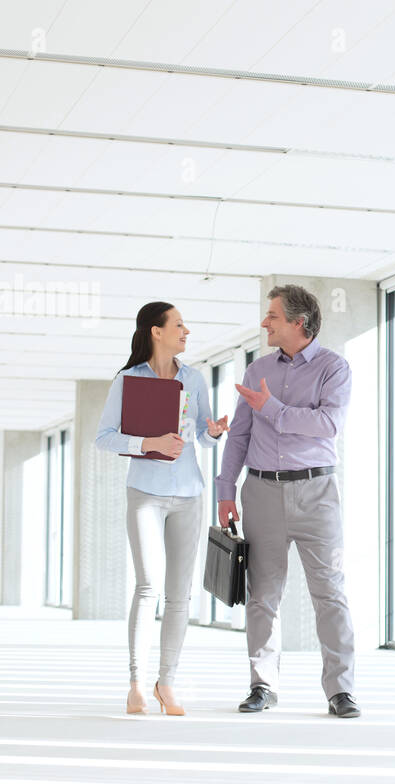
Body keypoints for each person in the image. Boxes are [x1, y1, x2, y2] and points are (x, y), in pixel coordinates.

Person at [216, 284, 359, 717]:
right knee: (262, 595)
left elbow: (328, 424)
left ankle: (341, 691)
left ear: (299, 322)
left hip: (317, 494)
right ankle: (263, 685)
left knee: (330, 595)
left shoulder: (334, 368)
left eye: (272, 316)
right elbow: (239, 434)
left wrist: (272, 408)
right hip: (260, 491)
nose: (265, 323)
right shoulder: (257, 367)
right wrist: (225, 490)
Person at [95, 301, 229, 716]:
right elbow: (104, 437)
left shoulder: (195, 378)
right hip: (146, 494)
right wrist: (149, 444)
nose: (186, 332)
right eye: (179, 325)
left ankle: (166, 682)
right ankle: (136, 682)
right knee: (148, 585)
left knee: (179, 596)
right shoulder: (128, 380)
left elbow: (203, 439)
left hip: (190, 494)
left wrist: (213, 432)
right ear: (156, 331)